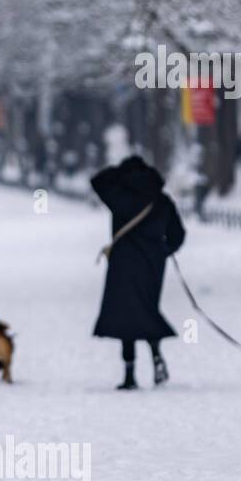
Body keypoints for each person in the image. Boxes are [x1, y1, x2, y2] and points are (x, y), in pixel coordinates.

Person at [91, 155, 185, 390]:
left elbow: (97, 180)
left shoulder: (118, 196)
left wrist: (119, 172)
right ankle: (155, 355)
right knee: (146, 311)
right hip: (152, 265)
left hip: (123, 264)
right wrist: (163, 251)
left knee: (125, 317)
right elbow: (178, 234)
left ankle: (129, 375)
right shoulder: (162, 201)